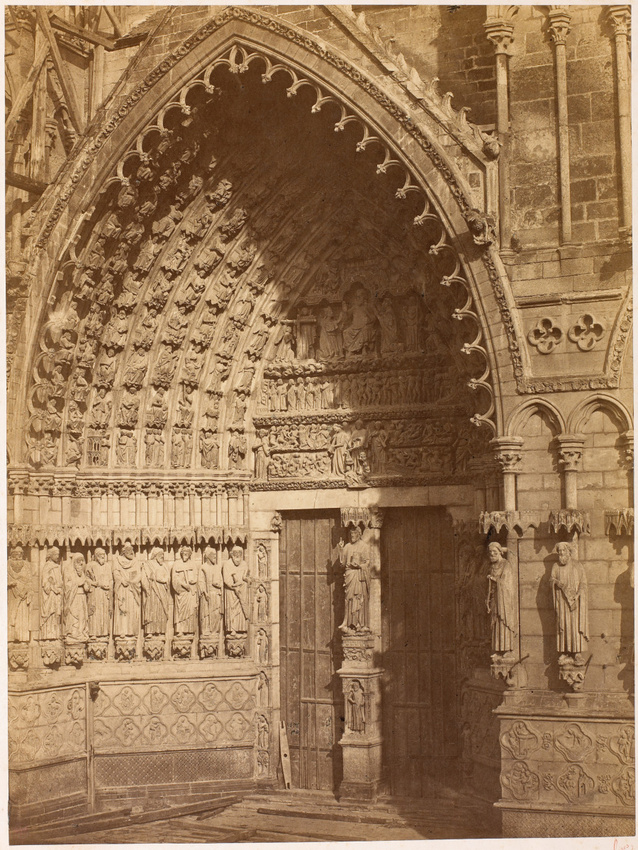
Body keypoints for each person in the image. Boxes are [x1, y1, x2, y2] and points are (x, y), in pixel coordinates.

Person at [551, 542, 589, 656]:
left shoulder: (577, 565)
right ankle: (564, 651)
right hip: (561, 601)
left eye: (563, 551)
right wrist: (556, 583)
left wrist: (578, 595)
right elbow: (551, 580)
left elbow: (583, 583)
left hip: (574, 600)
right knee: (563, 625)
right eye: (559, 552)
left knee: (575, 626)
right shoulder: (555, 566)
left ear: (569, 552)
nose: (561, 553)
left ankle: (577, 652)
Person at [338, 526, 371, 633]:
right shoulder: (347, 546)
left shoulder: (364, 546)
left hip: (359, 575)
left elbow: (367, 563)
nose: (352, 537)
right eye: (351, 535)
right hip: (349, 575)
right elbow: (342, 564)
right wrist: (340, 549)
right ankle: (347, 623)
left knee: (359, 599)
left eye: (354, 535)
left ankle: (359, 624)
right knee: (348, 598)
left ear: (359, 534)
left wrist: (359, 566)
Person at [486, 542, 516, 655]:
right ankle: (498, 649)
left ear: (500, 552)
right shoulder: (492, 566)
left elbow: (507, 583)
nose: (492, 554)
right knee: (495, 623)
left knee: (503, 622)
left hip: (504, 600)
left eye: (494, 552)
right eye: (490, 552)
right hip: (495, 598)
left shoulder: (506, 565)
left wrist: (494, 579)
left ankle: (506, 649)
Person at [113, 542, 142, 638]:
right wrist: (121, 580)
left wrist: (133, 581)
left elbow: (139, 574)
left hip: (132, 589)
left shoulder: (135, 561)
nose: (131, 552)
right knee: (123, 609)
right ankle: (122, 630)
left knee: (132, 609)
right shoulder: (117, 560)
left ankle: (132, 630)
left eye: (132, 550)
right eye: (129, 550)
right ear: (123, 551)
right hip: (122, 588)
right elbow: (115, 573)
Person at [142, 547, 170, 637]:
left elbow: (168, 578)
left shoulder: (164, 566)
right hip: (152, 591)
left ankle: (160, 631)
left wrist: (164, 580)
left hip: (162, 591)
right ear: (155, 555)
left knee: (161, 610)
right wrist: (147, 588)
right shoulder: (148, 564)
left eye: (163, 555)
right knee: (152, 610)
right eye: (160, 555)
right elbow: (144, 578)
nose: (162, 557)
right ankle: (150, 631)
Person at [63, 553, 90, 642]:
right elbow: (67, 585)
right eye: (79, 561)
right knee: (74, 616)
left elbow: (86, 587)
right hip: (73, 598)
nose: (81, 563)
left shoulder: (82, 573)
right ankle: (73, 634)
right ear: (74, 562)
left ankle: (81, 633)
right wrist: (78, 582)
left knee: (82, 617)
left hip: (82, 597)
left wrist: (86, 584)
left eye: (82, 561)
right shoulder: (68, 571)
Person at [172, 546, 198, 636]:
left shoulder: (193, 564)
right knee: (180, 610)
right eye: (183, 553)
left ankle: (189, 630)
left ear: (190, 555)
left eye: (187, 554)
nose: (185, 555)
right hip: (181, 592)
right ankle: (180, 630)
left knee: (190, 610)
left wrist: (193, 581)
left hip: (190, 592)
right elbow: (174, 579)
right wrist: (183, 585)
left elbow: (196, 576)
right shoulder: (177, 564)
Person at [223, 545, 249, 635]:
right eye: (235, 554)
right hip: (231, 591)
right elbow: (226, 579)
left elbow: (245, 577)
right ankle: (232, 629)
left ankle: (242, 628)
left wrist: (247, 580)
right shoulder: (227, 564)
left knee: (242, 609)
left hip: (242, 590)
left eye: (239, 555)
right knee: (232, 609)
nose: (238, 557)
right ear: (231, 555)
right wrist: (234, 587)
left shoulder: (244, 564)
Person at [86, 547, 112, 639]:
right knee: (95, 612)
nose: (102, 557)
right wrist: (94, 583)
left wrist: (109, 586)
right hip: (95, 592)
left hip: (105, 594)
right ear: (96, 556)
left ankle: (104, 633)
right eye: (100, 555)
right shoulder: (91, 565)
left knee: (104, 612)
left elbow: (110, 579)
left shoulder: (107, 566)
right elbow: (86, 578)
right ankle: (93, 633)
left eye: (103, 555)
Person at [8, 546, 31, 643]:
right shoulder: (6, 564)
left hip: (23, 596)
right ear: (11, 554)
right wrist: (10, 583)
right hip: (11, 595)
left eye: (20, 553)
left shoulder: (27, 565)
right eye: (16, 553)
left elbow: (30, 580)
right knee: (11, 616)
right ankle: (10, 638)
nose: (18, 556)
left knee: (22, 616)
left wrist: (26, 591)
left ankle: (23, 638)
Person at [199, 546, 223, 637]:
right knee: (206, 614)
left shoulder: (217, 567)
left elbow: (221, 581)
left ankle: (215, 630)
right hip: (207, 595)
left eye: (215, 555)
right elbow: (201, 581)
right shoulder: (203, 567)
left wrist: (218, 585)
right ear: (208, 556)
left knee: (216, 613)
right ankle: (206, 630)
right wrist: (205, 592)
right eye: (213, 555)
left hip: (216, 594)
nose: (215, 557)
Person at [41, 546, 63, 640]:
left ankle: (55, 635)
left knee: (56, 615)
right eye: (56, 554)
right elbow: (45, 581)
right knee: (50, 614)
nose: (58, 556)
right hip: (50, 595)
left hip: (57, 594)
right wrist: (53, 587)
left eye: (58, 554)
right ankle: (48, 636)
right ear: (50, 555)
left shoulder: (57, 566)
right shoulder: (48, 566)